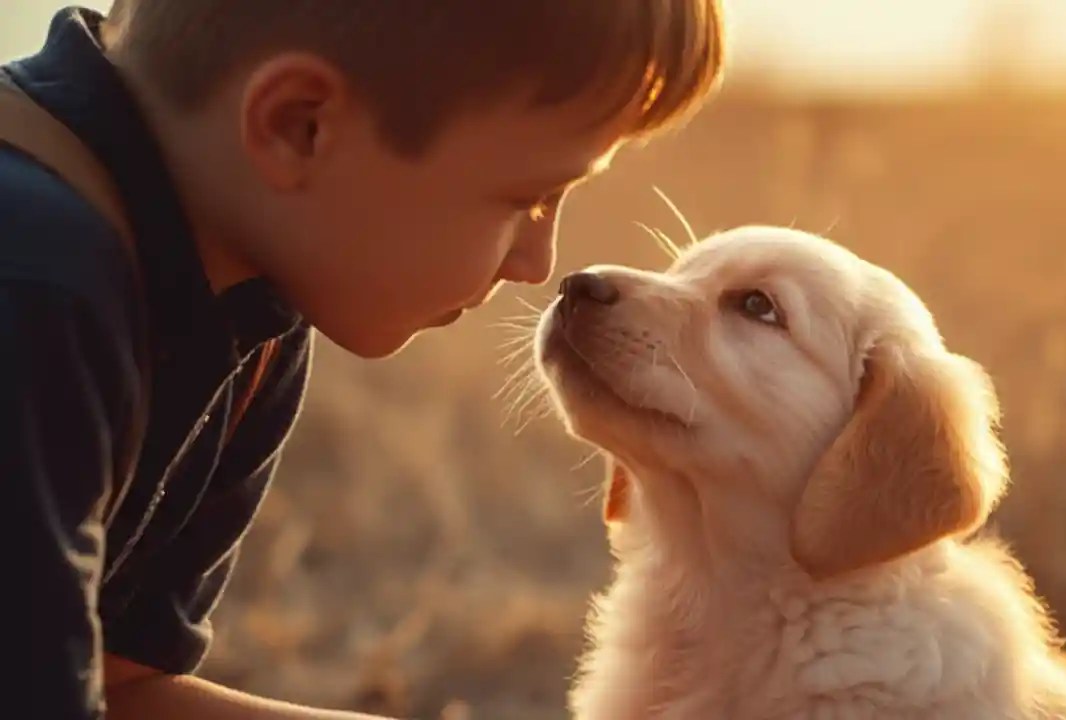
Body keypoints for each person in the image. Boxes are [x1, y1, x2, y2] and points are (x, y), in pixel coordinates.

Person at [1, 2, 724, 718]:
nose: (537, 263)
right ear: (299, 127)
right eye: (527, 199)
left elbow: (117, 683)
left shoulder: (252, 309)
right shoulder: (36, 287)